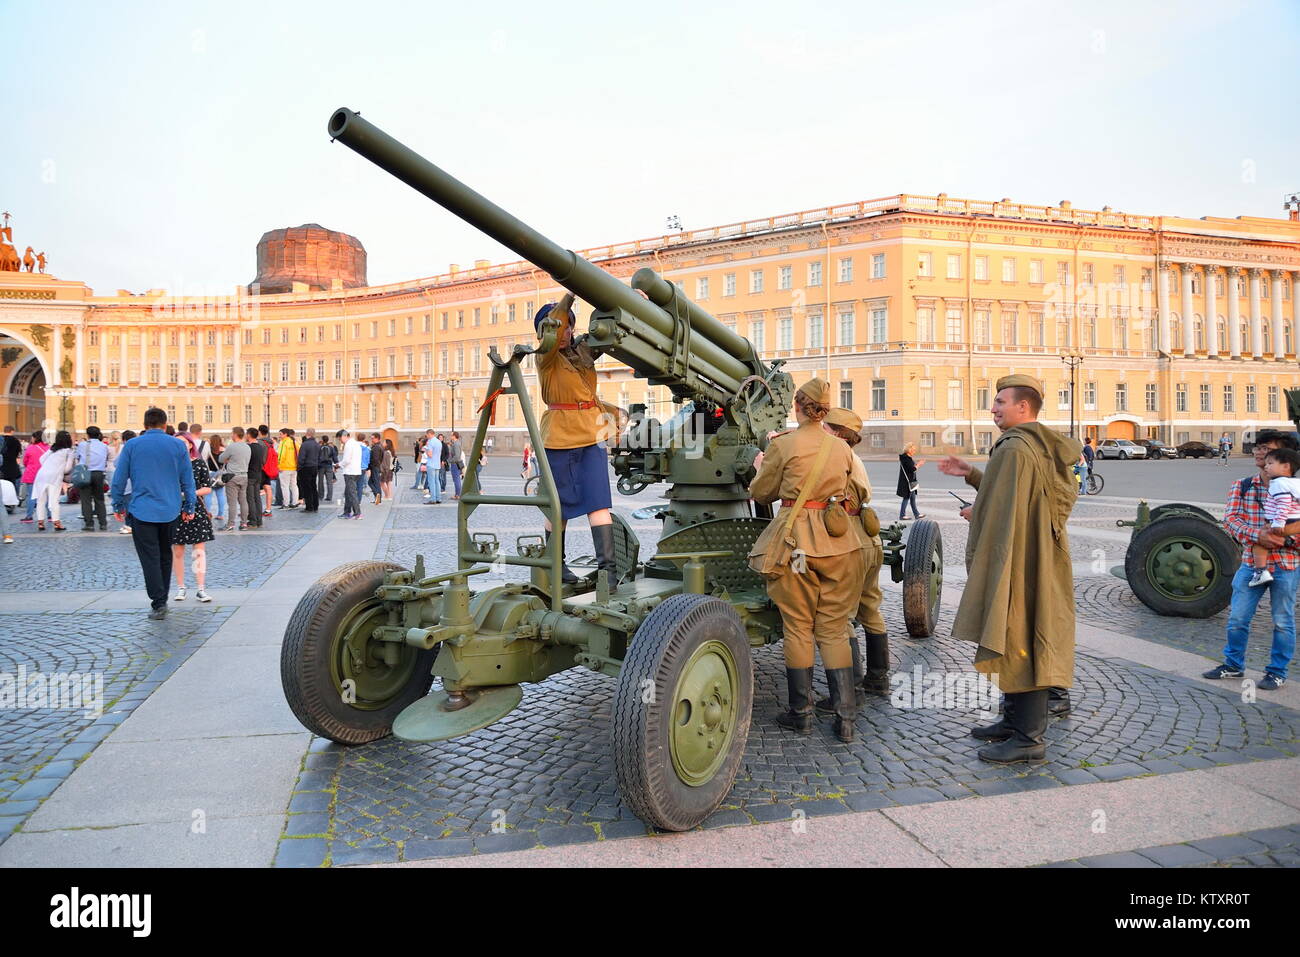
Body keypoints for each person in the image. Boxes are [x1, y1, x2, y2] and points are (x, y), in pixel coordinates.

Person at [938, 374, 1081, 764]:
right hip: (1033, 553)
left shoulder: (1015, 448)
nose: (993, 407)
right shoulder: (1034, 443)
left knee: (1023, 634)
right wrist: (971, 473)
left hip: (1021, 558)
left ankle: (1028, 738)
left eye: (1001, 401)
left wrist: (975, 512)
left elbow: (1004, 507)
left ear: (1024, 407)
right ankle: (1013, 721)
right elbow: (1019, 494)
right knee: (1017, 631)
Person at [747, 378, 866, 742]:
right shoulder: (842, 448)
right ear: (825, 411)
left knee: (798, 626)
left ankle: (801, 713)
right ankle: (845, 718)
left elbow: (762, 491)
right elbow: (853, 492)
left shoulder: (784, 445)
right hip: (840, 546)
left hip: (797, 548)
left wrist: (758, 469)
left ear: (797, 406)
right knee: (832, 629)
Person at [1204, 429, 1300, 691]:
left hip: (1286, 564)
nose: (1259, 452)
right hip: (1251, 564)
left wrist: (1287, 539)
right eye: (1258, 447)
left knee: (1282, 621)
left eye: (1267, 448)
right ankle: (1233, 664)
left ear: (1285, 457)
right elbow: (1231, 521)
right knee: (1238, 617)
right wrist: (1257, 535)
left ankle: (1277, 672)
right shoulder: (1243, 485)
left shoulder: (1295, 489)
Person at [533, 298, 619, 589]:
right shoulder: (545, 356)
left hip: (590, 434)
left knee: (599, 503)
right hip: (560, 437)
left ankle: (608, 573)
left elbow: (609, 332)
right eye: (559, 327)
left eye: (569, 326)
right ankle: (556, 567)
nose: (565, 332)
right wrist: (569, 293)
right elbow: (553, 333)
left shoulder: (580, 352)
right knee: (558, 507)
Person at [812, 407, 890, 717]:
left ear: (837, 433)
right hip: (870, 536)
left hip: (851, 540)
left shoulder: (836, 456)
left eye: (825, 428)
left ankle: (851, 690)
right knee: (870, 606)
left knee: (840, 615)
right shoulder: (853, 456)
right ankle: (878, 679)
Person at [110, 408, 196, 619]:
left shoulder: (132, 445)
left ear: (145, 424)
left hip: (142, 510)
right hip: (170, 509)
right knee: (166, 554)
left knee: (149, 557)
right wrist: (189, 506)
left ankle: (158, 602)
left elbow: (119, 477)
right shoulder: (177, 444)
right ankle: (162, 597)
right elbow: (188, 478)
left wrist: (118, 504)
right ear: (165, 425)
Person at [172, 433, 215, 602]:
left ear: (191, 445)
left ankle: (201, 588)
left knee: (199, 551)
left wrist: (190, 493)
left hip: (196, 508)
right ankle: (181, 587)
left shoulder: (199, 463)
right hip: (175, 509)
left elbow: (208, 488)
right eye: (177, 443)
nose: (181, 446)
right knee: (178, 551)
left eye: (184, 443)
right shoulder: (170, 465)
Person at [32, 430, 75, 531]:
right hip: (54, 477)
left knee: (41, 500)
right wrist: (59, 469)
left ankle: (41, 523)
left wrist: (48, 466)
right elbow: (67, 468)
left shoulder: (52, 449)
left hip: (41, 475)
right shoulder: (69, 451)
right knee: (54, 500)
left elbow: (41, 459)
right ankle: (56, 522)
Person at [74, 425, 111, 531]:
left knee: (86, 499)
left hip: (85, 472)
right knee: (99, 499)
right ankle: (103, 523)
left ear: (88, 434)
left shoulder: (82, 445)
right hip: (99, 473)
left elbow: (77, 457)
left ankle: (89, 524)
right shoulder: (104, 446)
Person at [219, 428, 250, 530]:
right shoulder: (247, 447)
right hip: (244, 475)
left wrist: (227, 457)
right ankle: (244, 523)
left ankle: (230, 524)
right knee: (243, 501)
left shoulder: (232, 446)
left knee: (232, 502)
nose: (231, 435)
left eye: (232, 433)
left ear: (235, 434)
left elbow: (221, 459)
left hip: (232, 476)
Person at [19, 429, 48, 524]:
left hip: (32, 474)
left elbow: (25, 462)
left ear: (35, 438)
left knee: (31, 496)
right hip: (45, 475)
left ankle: (29, 516)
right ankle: (51, 515)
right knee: (46, 496)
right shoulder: (48, 448)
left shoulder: (30, 448)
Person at [337, 428, 364, 519]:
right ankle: (347, 512)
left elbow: (347, 460)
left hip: (350, 472)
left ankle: (357, 513)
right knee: (348, 492)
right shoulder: (356, 444)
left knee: (351, 493)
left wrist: (338, 465)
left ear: (345, 436)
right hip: (356, 471)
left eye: (340, 439)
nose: (340, 441)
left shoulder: (348, 445)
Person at [896, 442, 925, 520]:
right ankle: (902, 515)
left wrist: (916, 465)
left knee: (912, 498)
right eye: (913, 450)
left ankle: (917, 514)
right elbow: (912, 469)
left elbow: (911, 468)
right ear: (909, 450)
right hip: (907, 482)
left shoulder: (907, 458)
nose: (914, 451)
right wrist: (919, 464)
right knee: (906, 498)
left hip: (911, 482)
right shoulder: (906, 459)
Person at [116, 430, 138, 533]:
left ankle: (130, 525)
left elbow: (117, 463)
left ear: (124, 440)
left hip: (128, 484)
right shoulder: (138, 447)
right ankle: (130, 525)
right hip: (137, 483)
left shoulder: (126, 449)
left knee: (128, 506)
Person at [245, 427, 267, 528]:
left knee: (250, 499)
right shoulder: (260, 446)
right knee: (257, 498)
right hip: (258, 474)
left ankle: (253, 521)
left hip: (250, 475)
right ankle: (259, 520)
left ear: (249, 435)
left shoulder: (249, 447)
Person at [205, 434, 227, 527]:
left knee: (208, 495)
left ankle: (207, 513)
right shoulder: (224, 450)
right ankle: (221, 514)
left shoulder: (208, 450)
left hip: (210, 473)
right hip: (220, 474)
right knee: (220, 495)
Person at [298, 428, 321, 512]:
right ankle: (315, 506)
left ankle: (309, 507)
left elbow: (301, 458)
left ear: (307, 433)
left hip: (306, 467)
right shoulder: (317, 444)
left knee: (307, 488)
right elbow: (319, 457)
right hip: (314, 467)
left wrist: (299, 467)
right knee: (313, 487)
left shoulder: (305, 444)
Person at [276, 428, 299, 509]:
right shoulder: (294, 442)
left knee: (285, 486)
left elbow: (281, 455)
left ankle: (286, 504)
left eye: (280, 434)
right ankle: (295, 502)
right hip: (294, 467)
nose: (279, 436)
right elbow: (298, 453)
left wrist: (278, 465)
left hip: (285, 467)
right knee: (294, 485)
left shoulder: (284, 442)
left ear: (285, 434)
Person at [422, 431, 443, 504]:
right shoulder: (439, 442)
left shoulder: (430, 442)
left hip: (431, 464)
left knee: (431, 482)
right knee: (437, 481)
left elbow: (430, 455)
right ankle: (438, 498)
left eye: (427, 435)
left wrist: (426, 449)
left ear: (429, 434)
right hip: (437, 464)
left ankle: (433, 499)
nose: (426, 436)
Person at [317, 434, 338, 505]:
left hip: (321, 466)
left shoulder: (319, 447)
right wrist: (336, 465)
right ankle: (329, 496)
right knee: (329, 482)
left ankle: (320, 496)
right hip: (329, 465)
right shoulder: (331, 448)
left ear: (322, 440)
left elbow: (317, 457)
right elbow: (334, 457)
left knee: (320, 481)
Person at [1, 425, 21, 492]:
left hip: (1, 467)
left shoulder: (1, 440)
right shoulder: (15, 441)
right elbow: (18, 453)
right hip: (12, 467)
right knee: (12, 486)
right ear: (12, 431)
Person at [447, 431, 464, 500]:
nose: (450, 436)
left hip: (455, 464)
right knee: (456, 480)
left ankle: (458, 494)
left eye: (451, 435)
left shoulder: (456, 444)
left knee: (456, 480)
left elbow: (457, 456)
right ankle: (458, 494)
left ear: (454, 436)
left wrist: (449, 461)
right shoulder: (455, 443)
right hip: (455, 463)